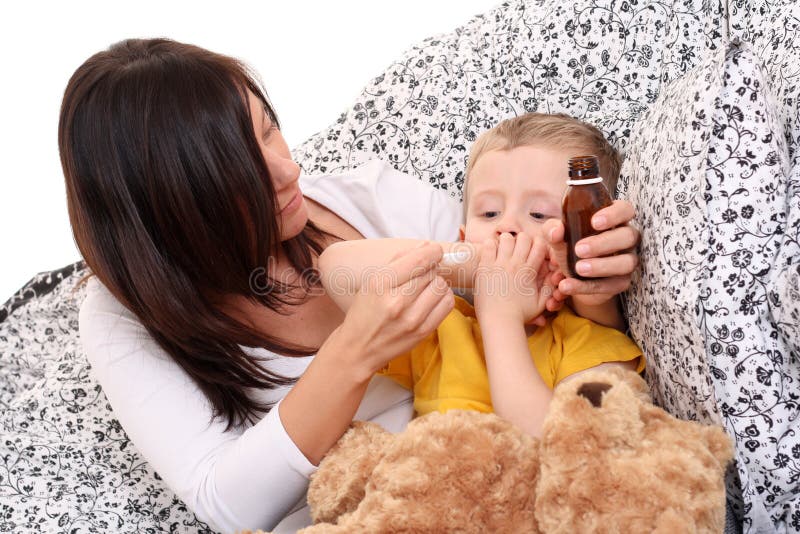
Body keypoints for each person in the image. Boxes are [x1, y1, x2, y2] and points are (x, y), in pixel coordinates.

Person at [61, 38, 640, 532]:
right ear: (171, 210)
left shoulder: (368, 195)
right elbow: (226, 503)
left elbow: (545, 312)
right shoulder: (122, 318)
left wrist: (587, 277)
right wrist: (355, 349)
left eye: (269, 131)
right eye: (240, 168)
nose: (288, 171)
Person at [318, 113, 643, 437]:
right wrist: (476, 265)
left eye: (539, 214)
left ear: (583, 237)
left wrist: (501, 316)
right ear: (462, 236)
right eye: (489, 213)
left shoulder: (589, 341)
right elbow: (338, 269)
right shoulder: (443, 327)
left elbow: (557, 445)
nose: (506, 226)